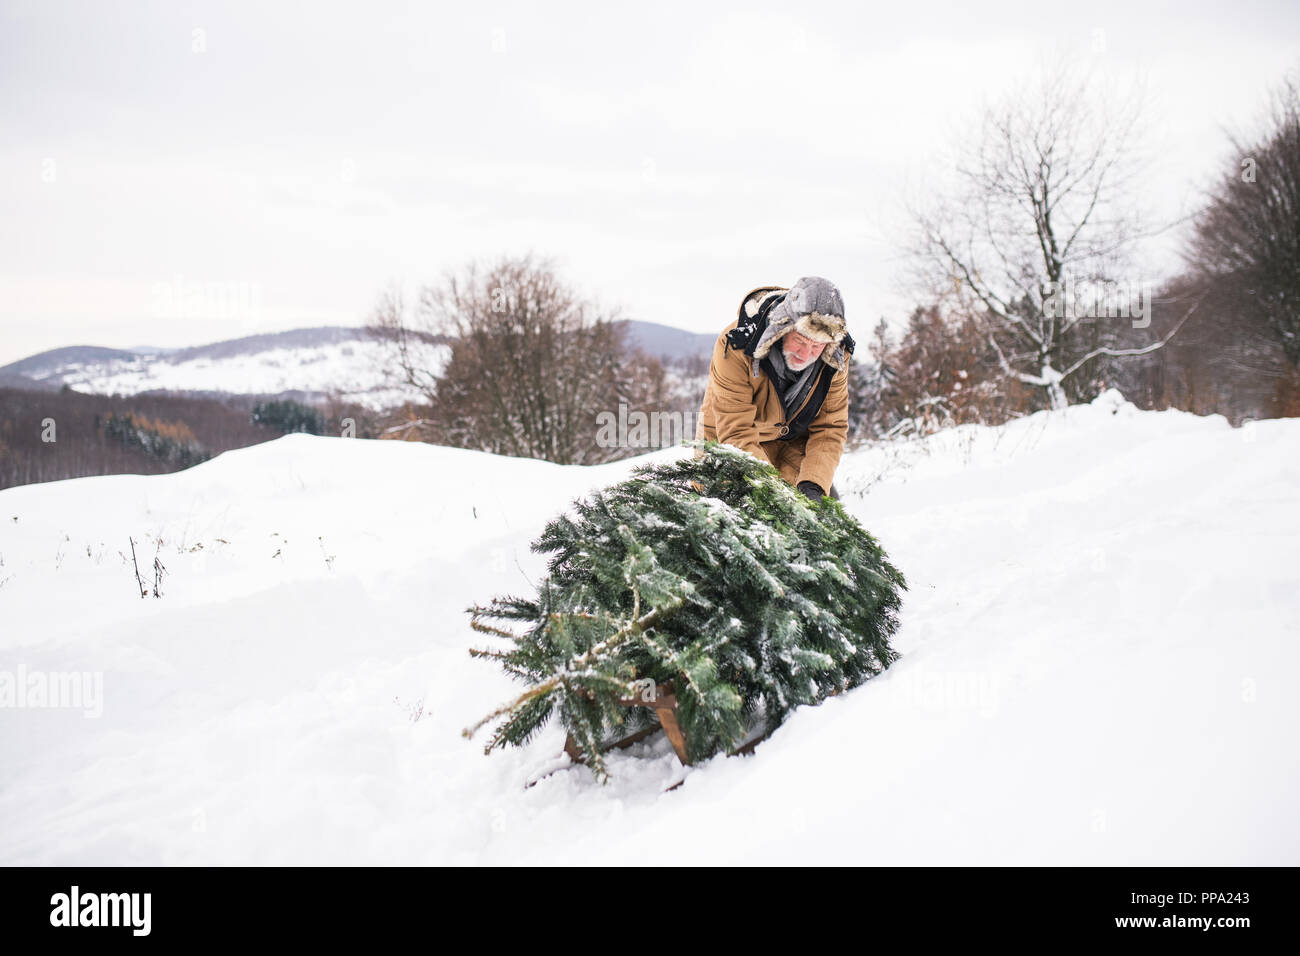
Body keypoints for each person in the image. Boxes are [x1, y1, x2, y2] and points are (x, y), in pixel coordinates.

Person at [694, 276, 853, 501]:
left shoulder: (836, 358)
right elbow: (736, 431)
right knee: (733, 515)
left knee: (818, 514)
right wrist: (774, 491)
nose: (805, 354)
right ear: (783, 326)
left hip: (792, 443)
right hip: (729, 440)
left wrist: (812, 484)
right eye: (800, 339)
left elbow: (830, 427)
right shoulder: (737, 345)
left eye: (817, 346)